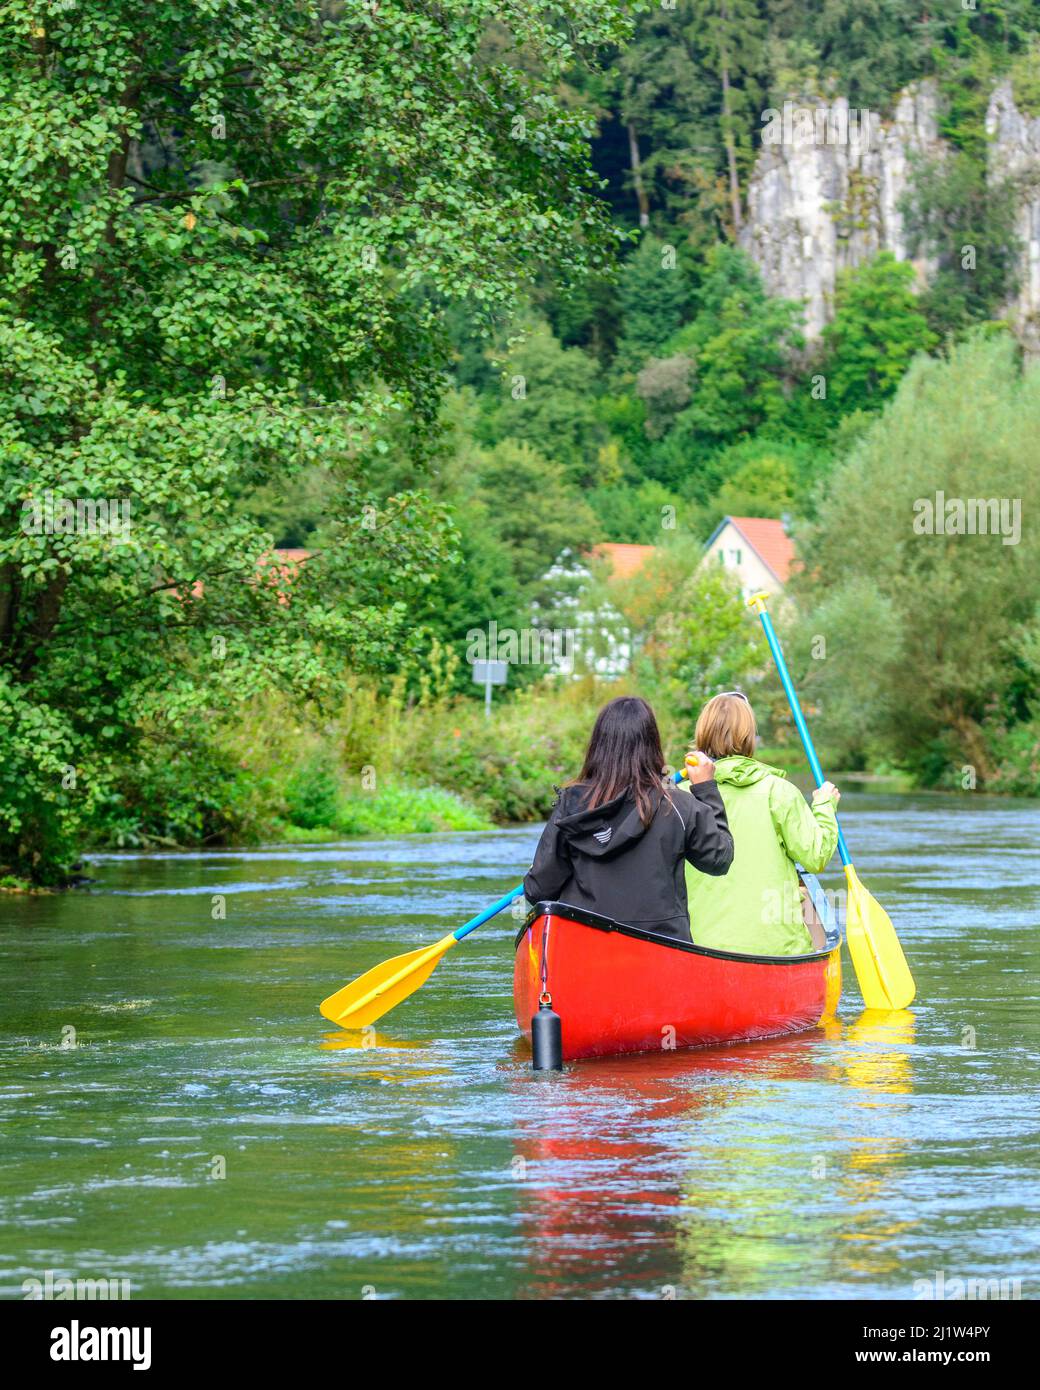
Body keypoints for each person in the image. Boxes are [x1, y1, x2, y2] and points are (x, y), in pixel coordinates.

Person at [523, 695, 733, 940]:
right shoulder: (679, 806)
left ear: (598, 746)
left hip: (585, 946)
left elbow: (538, 891)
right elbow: (719, 858)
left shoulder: (572, 805)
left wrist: (533, 874)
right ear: (653, 744)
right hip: (663, 948)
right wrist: (706, 789)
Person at [682, 691, 839, 956]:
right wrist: (824, 806)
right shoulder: (780, 791)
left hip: (697, 947)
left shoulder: (679, 795)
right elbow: (816, 857)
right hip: (776, 950)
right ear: (749, 737)